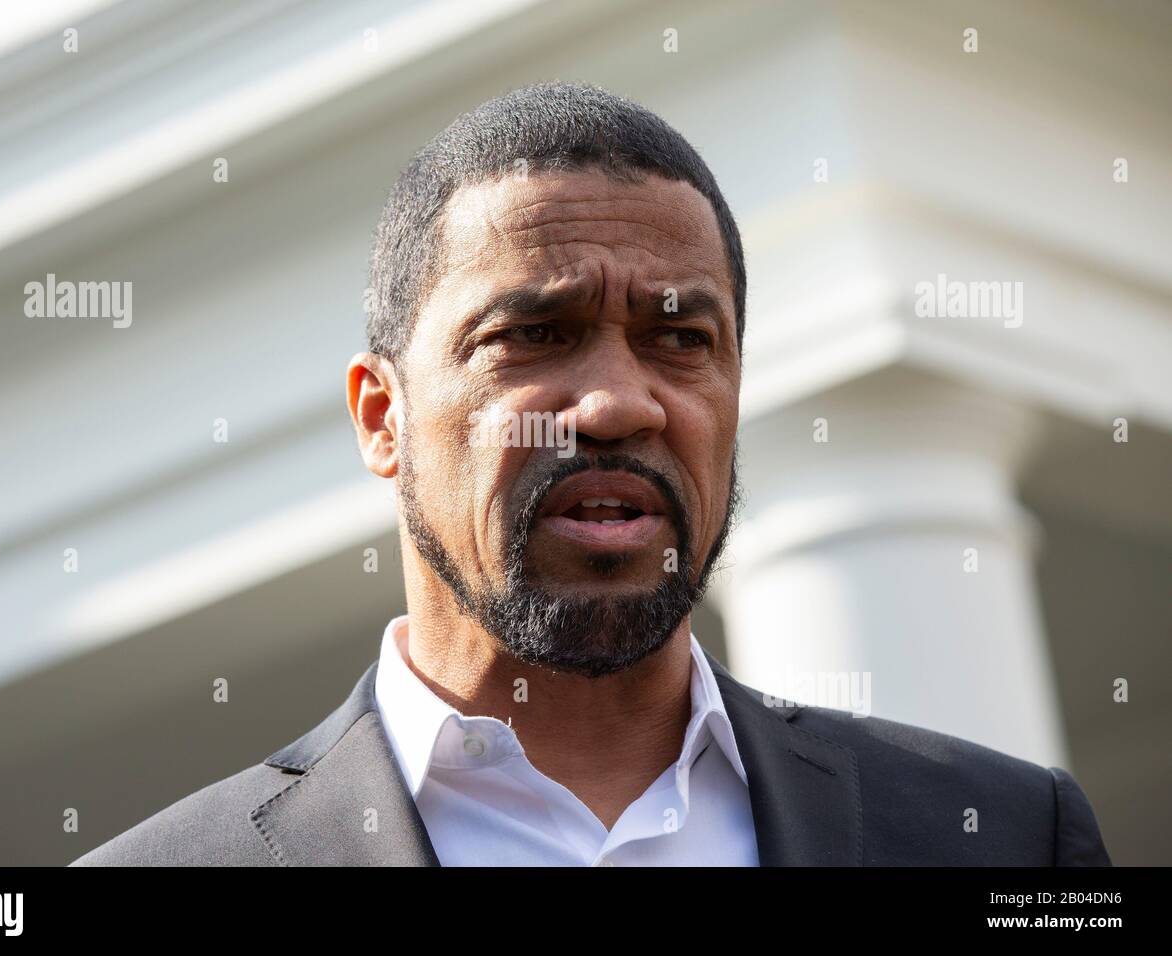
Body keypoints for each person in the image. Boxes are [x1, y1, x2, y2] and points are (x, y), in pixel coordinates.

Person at [72, 83, 1110, 867]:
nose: (617, 402)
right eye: (533, 333)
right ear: (381, 417)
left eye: (680, 337)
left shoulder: (1007, 836)